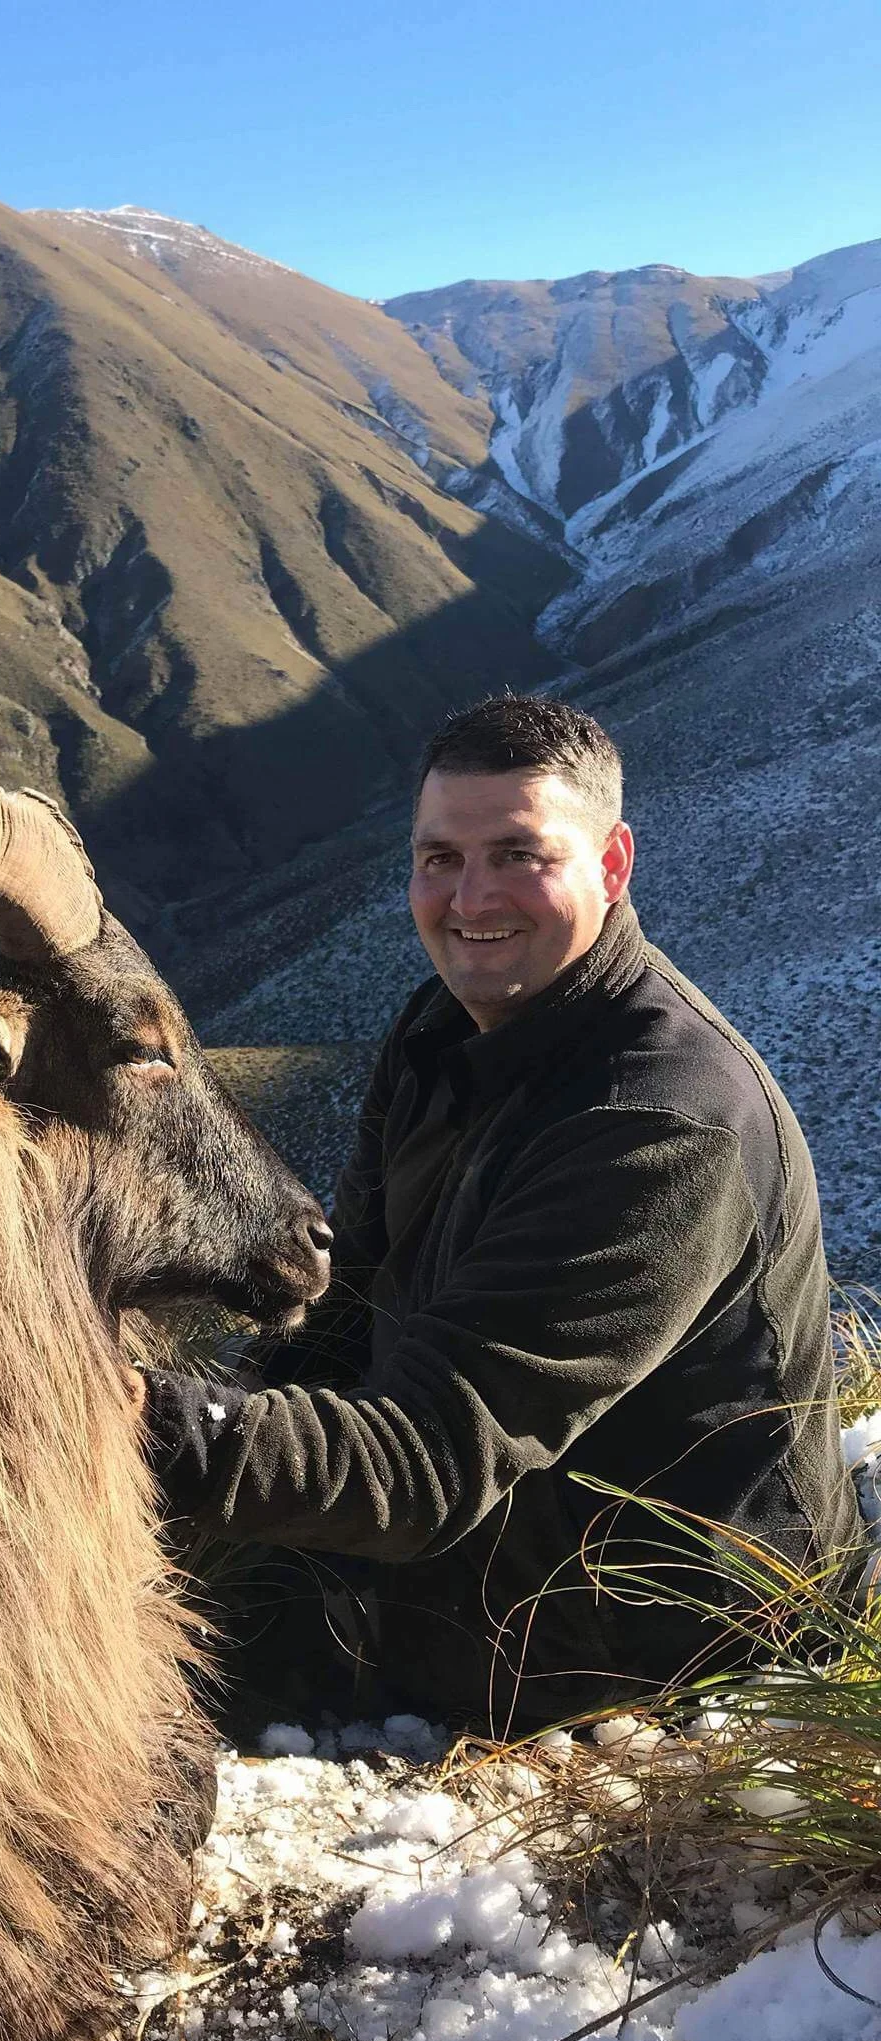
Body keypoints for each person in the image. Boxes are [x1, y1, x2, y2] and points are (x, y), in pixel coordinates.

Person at [143, 697, 862, 1737]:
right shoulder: (440, 1029)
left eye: (519, 855)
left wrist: (115, 1417)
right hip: (491, 1526)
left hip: (648, 1635)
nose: (471, 899)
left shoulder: (657, 1124)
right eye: (440, 858)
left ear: (612, 863)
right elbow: (347, 1317)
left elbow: (428, 1463)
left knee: (107, 1698)